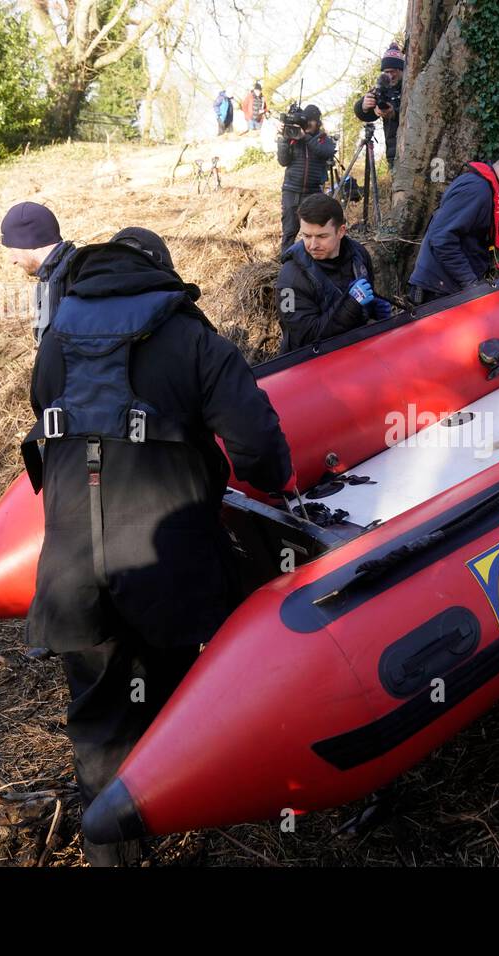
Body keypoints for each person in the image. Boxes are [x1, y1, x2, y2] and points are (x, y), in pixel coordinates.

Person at [20, 227, 295, 865]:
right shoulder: (194, 338)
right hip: (168, 566)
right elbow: (256, 445)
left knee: (98, 717)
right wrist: (280, 482)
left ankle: (114, 849)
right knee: (172, 696)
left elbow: (43, 415)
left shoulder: (56, 340)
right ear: (160, 275)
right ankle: (176, 804)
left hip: (70, 569)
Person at [407, 143, 499, 304]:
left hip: (446, 288)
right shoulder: (477, 189)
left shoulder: (484, 189)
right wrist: (470, 283)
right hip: (437, 291)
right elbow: (442, 238)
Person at [275, 193, 390, 352]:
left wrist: (371, 310)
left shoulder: (358, 254)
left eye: (322, 236)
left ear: (341, 231)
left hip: (357, 347)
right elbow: (305, 336)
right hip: (311, 363)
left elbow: (362, 297)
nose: (313, 245)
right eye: (306, 236)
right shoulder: (290, 279)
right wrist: (351, 304)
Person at [0, 201, 79, 345]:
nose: (12, 260)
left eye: (12, 249)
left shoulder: (78, 276)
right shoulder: (48, 280)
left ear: (28, 242)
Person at [276, 104, 337, 253]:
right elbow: (283, 161)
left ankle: (312, 261)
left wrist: (306, 138)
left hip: (313, 192)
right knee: (289, 231)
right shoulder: (293, 137)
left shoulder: (322, 139)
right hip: (291, 190)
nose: (309, 123)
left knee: (314, 230)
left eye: (313, 120)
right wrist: (283, 138)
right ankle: (286, 265)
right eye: (307, 120)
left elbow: (326, 151)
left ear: (318, 122)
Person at [353, 41, 405, 169]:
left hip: (416, 148)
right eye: (386, 71)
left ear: (402, 70)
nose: (390, 75)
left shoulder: (412, 86)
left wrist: (395, 113)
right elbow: (361, 112)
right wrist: (365, 106)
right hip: (394, 153)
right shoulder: (382, 87)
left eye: (393, 71)